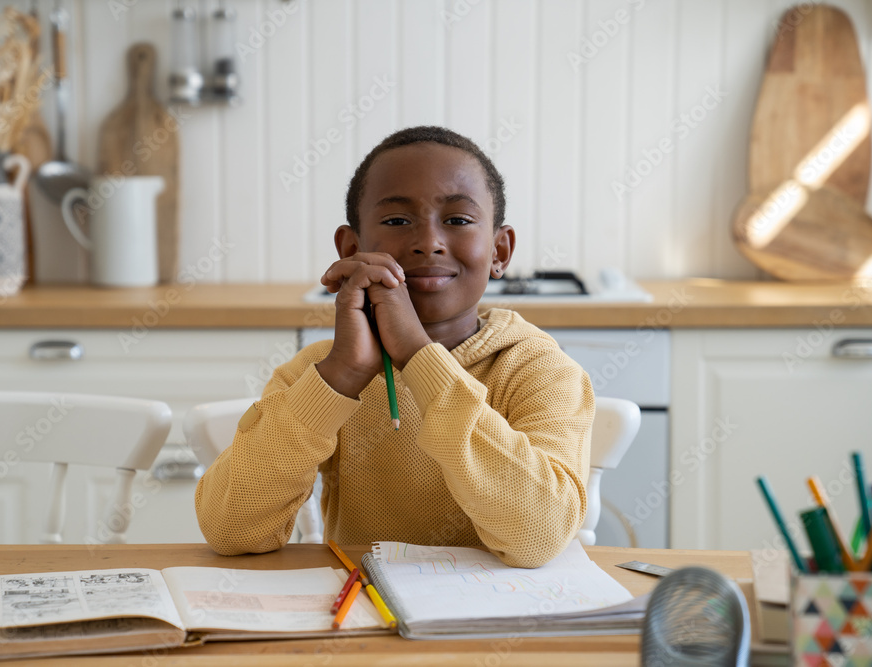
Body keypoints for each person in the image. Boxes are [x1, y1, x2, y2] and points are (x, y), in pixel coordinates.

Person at [195, 126, 594, 568]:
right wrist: (342, 376)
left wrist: (419, 358)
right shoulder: (318, 374)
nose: (428, 241)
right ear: (352, 247)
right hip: (363, 621)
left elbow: (539, 534)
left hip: (495, 626)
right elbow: (232, 531)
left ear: (499, 250)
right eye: (397, 221)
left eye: (458, 220)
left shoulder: (540, 369)